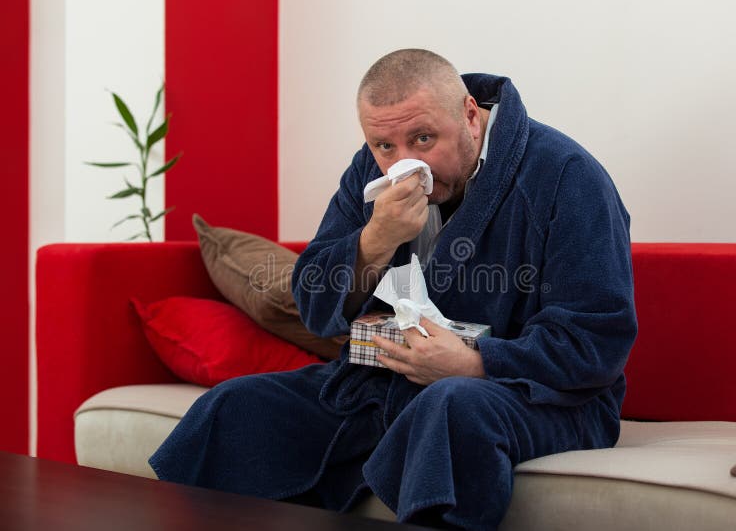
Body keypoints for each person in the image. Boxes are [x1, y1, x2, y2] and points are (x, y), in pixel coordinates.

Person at [149, 49, 637, 530]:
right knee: (236, 407)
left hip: (545, 398)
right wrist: (373, 241)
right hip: (389, 386)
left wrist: (475, 362)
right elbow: (314, 306)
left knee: (452, 408)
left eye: (423, 139)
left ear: (470, 115)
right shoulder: (370, 169)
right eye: (384, 147)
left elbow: (596, 341)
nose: (404, 165)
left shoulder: (567, 177)